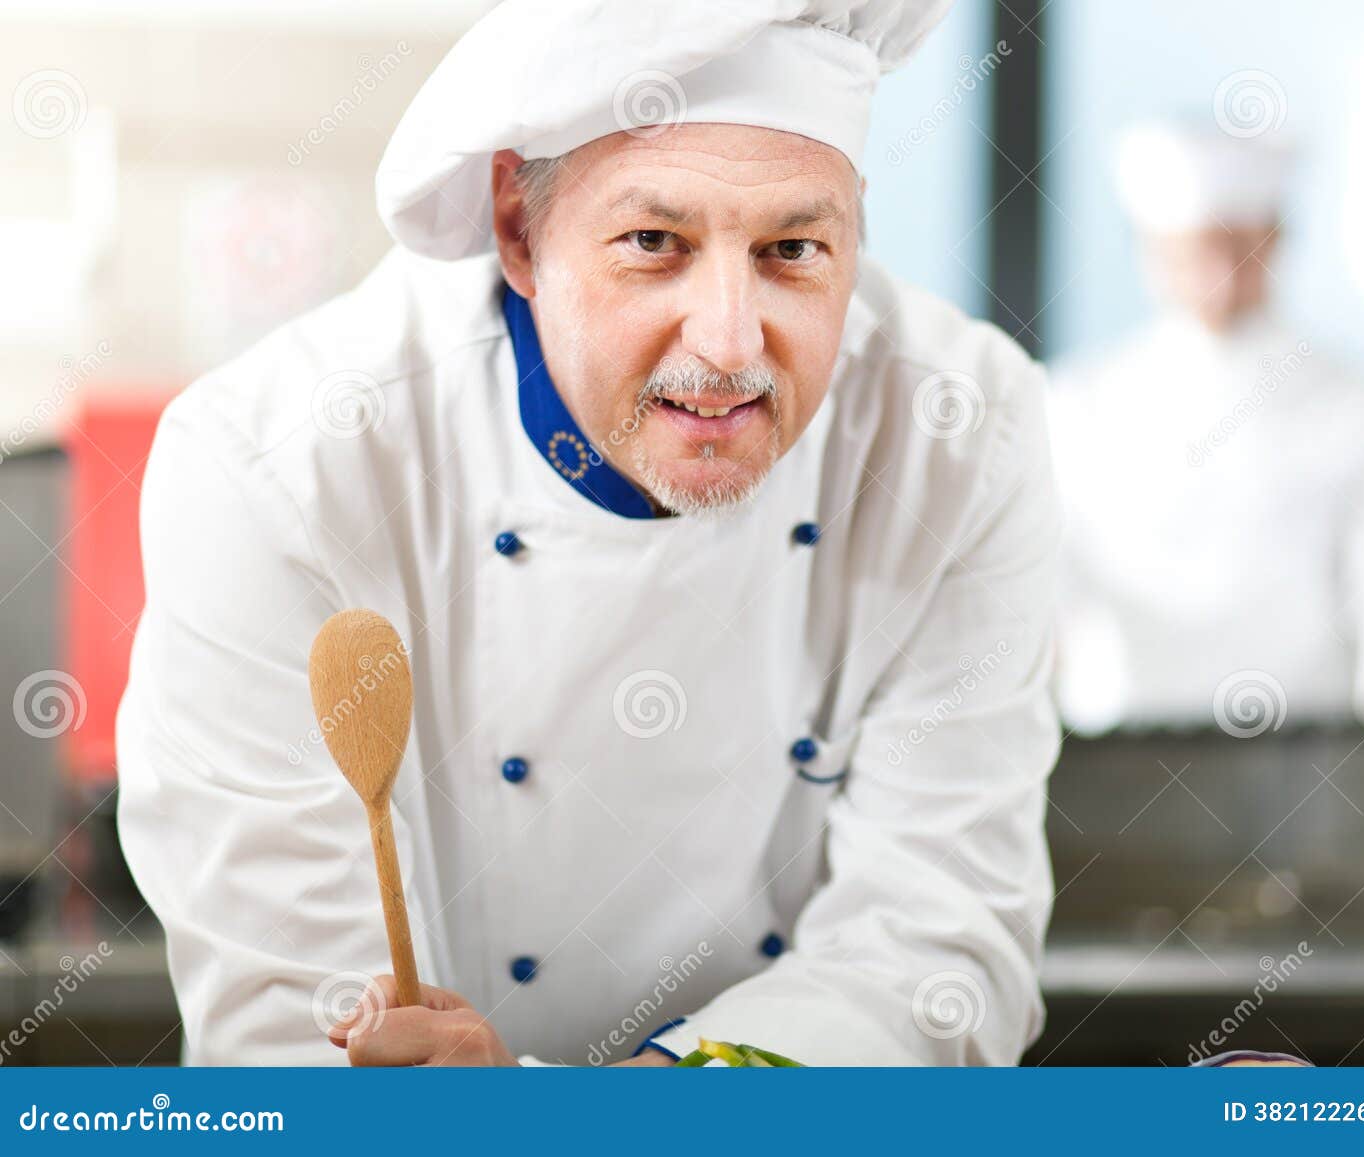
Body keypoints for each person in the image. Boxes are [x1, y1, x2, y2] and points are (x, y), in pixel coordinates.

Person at [115, 0, 1064, 1067]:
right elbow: (291, 1047)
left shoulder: (958, 432)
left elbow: (936, 952)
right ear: (518, 228)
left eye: (793, 248)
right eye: (654, 242)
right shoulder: (276, 468)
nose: (729, 343)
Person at [1049, 122, 1364, 734]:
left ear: (1277, 242)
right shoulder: (1069, 409)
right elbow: (1029, 588)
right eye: (1193, 250)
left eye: (1239, 248)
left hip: (1313, 766)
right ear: (1149, 250)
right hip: (1110, 763)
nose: (1219, 276)